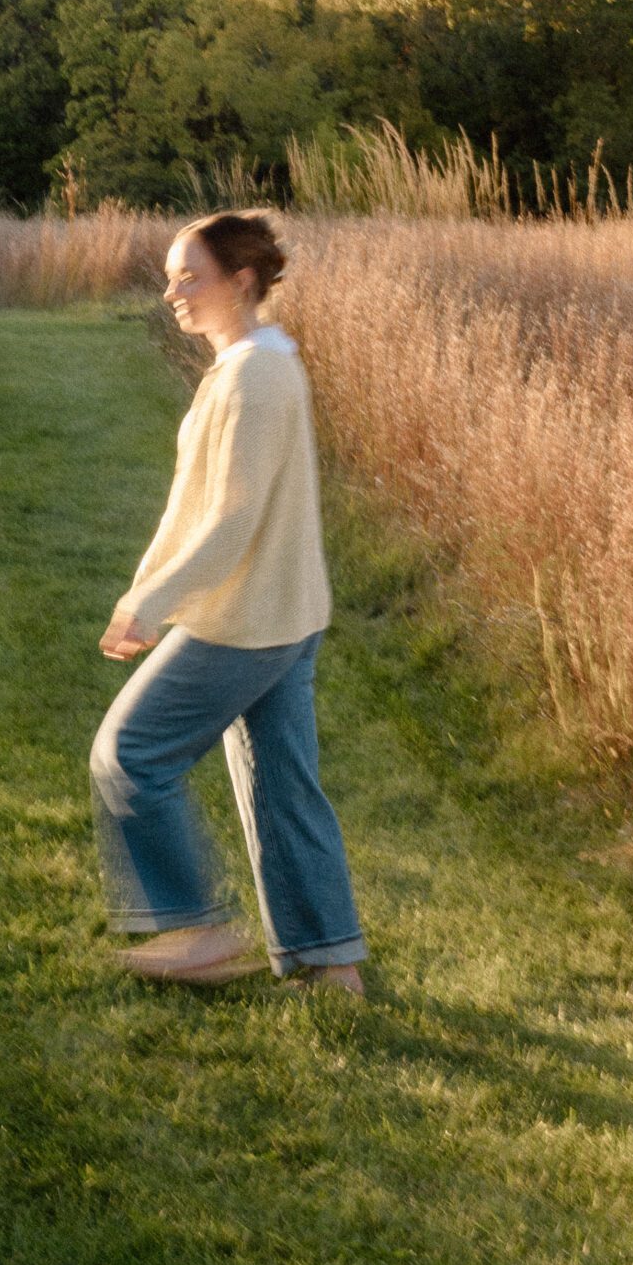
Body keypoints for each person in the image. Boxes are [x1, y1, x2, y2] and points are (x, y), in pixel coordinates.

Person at [91, 210, 366, 994]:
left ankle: (198, 928)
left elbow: (232, 519)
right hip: (287, 611)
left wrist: (150, 602)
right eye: (171, 274)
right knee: (284, 790)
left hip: (246, 618)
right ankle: (330, 965)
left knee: (130, 753)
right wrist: (149, 587)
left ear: (240, 282)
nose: (172, 290)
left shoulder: (254, 374)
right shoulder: (260, 360)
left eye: (191, 276)